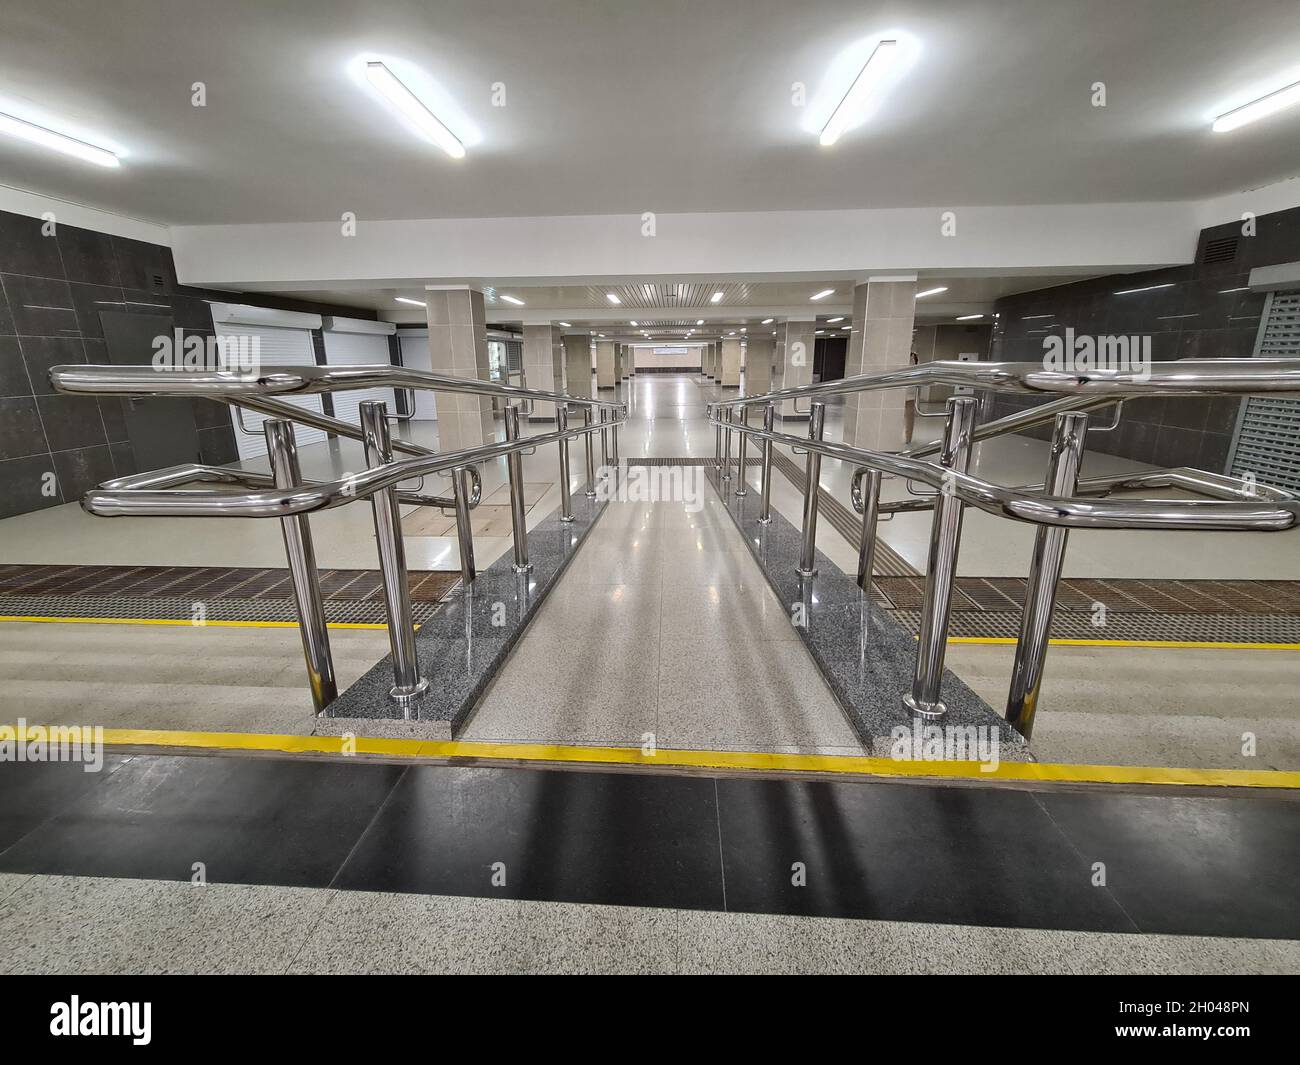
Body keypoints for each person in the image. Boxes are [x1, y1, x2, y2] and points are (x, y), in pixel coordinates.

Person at [903, 351, 920, 444]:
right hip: (899, 389)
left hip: (909, 390)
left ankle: (908, 438)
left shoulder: (915, 357)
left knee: (909, 414)